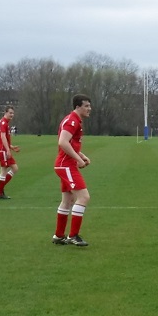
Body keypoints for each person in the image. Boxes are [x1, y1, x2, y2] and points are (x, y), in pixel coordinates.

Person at [52, 94, 92, 246]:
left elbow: (69, 143)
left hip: (64, 164)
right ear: (77, 107)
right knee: (83, 197)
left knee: (67, 200)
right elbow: (62, 142)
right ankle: (73, 236)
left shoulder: (73, 120)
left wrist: (82, 155)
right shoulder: (72, 121)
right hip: (66, 165)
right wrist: (78, 159)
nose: (89, 109)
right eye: (86, 106)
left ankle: (59, 235)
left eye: (89, 105)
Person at [0, 106, 21, 199]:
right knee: (4, 171)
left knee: (14, 168)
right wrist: (8, 150)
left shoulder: (5, 123)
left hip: (3, 149)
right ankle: (0, 192)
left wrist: (11, 147)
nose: (12, 115)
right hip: (3, 150)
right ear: (5, 112)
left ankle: (0, 189)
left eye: (13, 113)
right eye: (10, 113)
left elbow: (3, 138)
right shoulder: (3, 123)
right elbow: (2, 137)